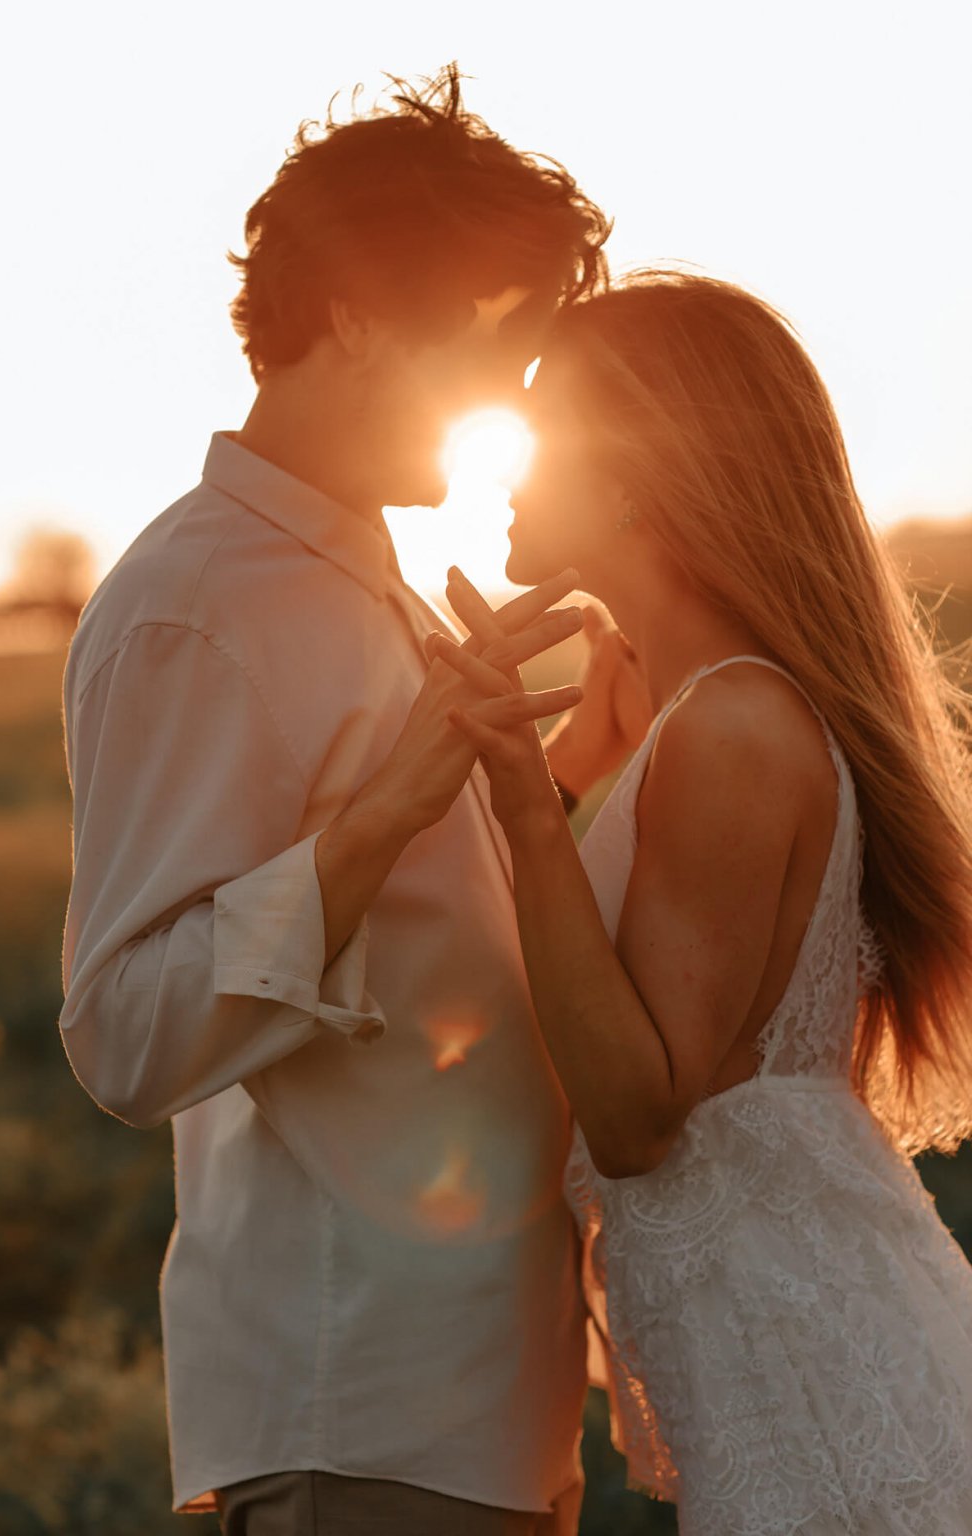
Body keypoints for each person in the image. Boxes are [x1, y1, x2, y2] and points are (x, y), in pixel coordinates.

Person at [59, 66, 616, 1534]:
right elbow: (122, 1033)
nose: (515, 395)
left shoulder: (386, 586)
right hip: (359, 1412)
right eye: (499, 344)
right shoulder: (195, 607)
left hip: (489, 1404)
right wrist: (385, 811)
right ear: (363, 312)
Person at [429, 270, 972, 1534]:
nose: (509, 456)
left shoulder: (730, 723)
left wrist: (522, 796)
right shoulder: (689, 712)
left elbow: (634, 1113)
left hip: (826, 1399)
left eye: (544, 419)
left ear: (630, 475)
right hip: (787, 1383)